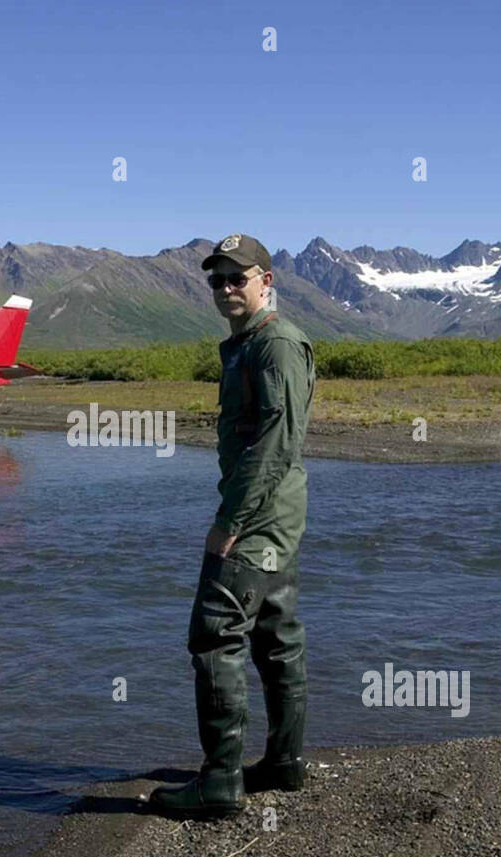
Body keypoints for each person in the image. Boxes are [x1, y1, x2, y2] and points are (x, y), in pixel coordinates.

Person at [148, 233, 315, 820]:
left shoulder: (276, 346)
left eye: (236, 278)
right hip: (276, 522)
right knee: (276, 639)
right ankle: (284, 763)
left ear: (266, 281)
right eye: (216, 279)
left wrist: (228, 523)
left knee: (214, 638)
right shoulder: (252, 344)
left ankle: (220, 782)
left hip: (256, 524)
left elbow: (275, 444)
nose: (223, 288)